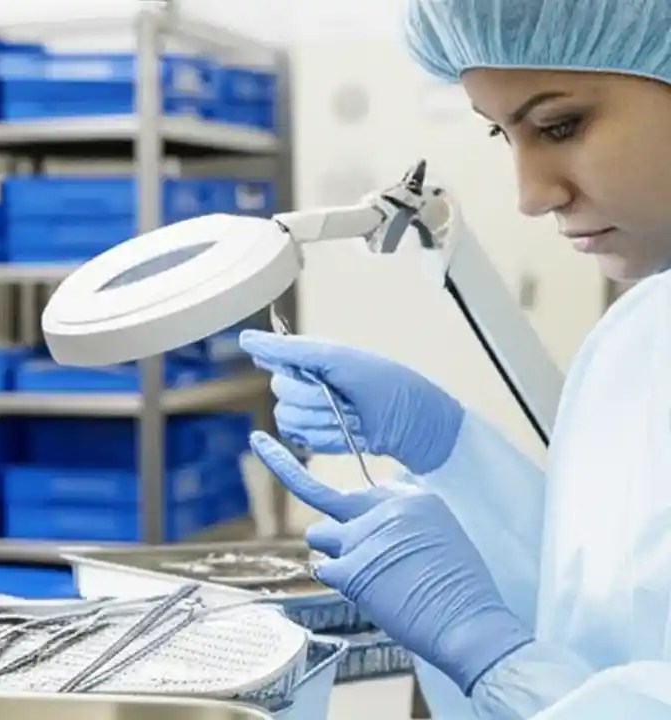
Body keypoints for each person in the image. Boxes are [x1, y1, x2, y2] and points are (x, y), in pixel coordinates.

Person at [237, 1, 671, 718]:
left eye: (561, 126)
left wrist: (490, 652)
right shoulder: (636, 333)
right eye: (504, 135)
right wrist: (452, 452)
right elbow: (601, 602)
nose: (532, 195)